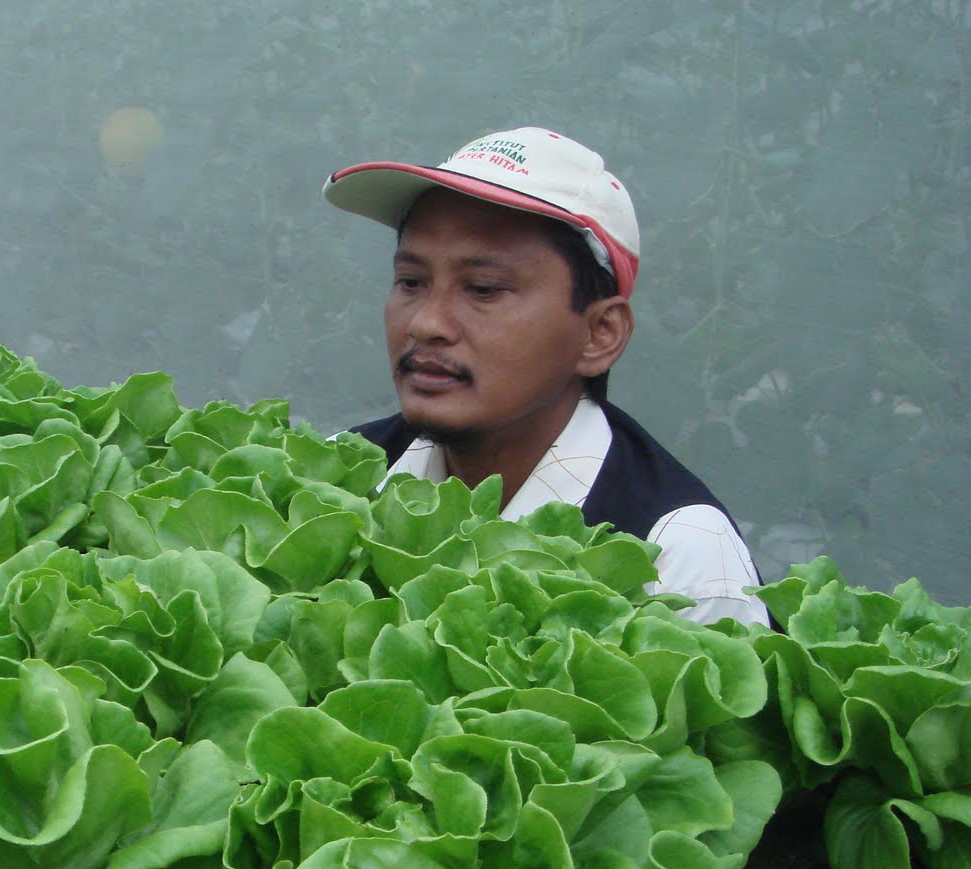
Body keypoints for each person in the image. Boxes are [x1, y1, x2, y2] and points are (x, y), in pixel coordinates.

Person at [323, 126, 769, 627]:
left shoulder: (680, 556)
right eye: (411, 281)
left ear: (600, 333)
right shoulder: (341, 474)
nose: (426, 323)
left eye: (484, 289)